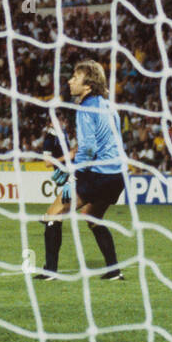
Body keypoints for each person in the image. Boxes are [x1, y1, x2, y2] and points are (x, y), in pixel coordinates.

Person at [69, 59, 127, 280]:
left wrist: (76, 172)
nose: (70, 81)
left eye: (75, 78)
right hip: (117, 175)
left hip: (99, 174)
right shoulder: (109, 106)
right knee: (92, 217)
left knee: (52, 215)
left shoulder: (85, 108)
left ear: (88, 85)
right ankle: (114, 270)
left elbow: (89, 147)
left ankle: (49, 271)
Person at [34, 116, 74, 280]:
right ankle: (51, 268)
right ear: (50, 123)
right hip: (71, 179)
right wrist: (68, 156)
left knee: (53, 218)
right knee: (55, 218)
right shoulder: (49, 139)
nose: (61, 123)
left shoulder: (64, 136)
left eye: (62, 120)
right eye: (57, 120)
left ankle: (50, 270)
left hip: (74, 179)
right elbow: (47, 162)